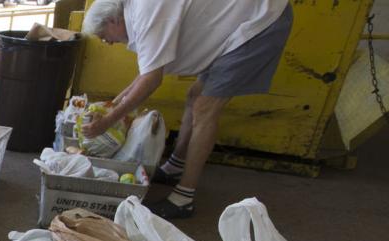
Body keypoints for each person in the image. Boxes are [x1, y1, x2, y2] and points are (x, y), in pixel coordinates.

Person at [80, 0, 293, 219]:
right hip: (239, 24)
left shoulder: (145, 14)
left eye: (103, 35)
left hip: (260, 22)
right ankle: (175, 167)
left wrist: (108, 121)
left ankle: (183, 199)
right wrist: (113, 105)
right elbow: (148, 69)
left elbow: (151, 80)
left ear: (113, 19)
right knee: (194, 96)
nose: (107, 42)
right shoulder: (138, 12)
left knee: (205, 108)